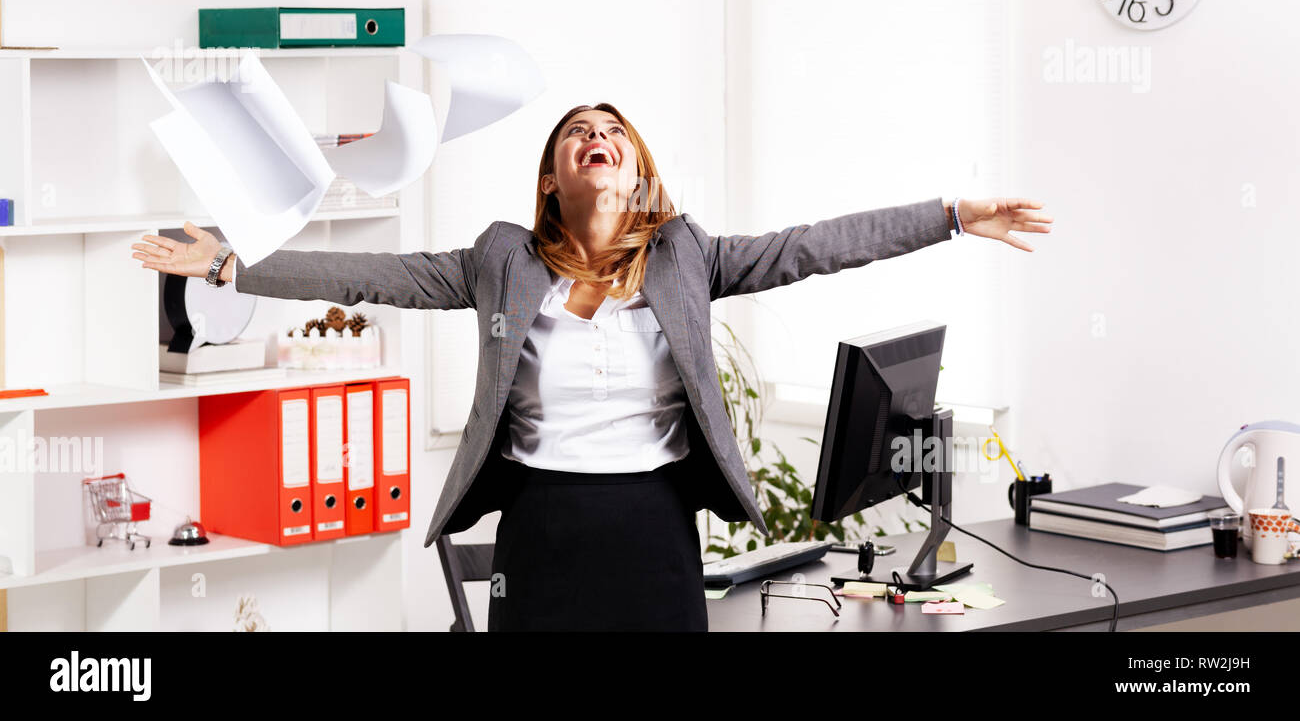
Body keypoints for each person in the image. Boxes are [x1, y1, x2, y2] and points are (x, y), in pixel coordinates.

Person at [131, 102, 1052, 631]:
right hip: (543, 526)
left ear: (636, 170)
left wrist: (951, 215)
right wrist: (229, 260)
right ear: (553, 179)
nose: (594, 134)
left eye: (611, 128)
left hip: (653, 525)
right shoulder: (502, 260)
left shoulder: (687, 256)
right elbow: (380, 275)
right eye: (576, 131)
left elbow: (814, 246)